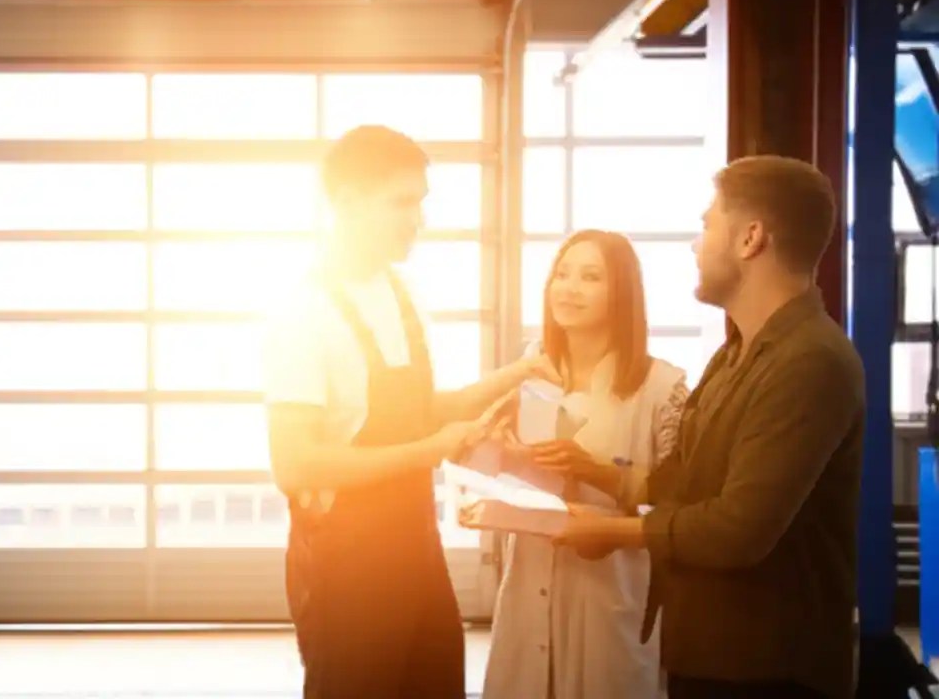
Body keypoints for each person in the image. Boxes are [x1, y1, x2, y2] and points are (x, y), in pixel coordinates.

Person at [555, 155, 865, 699]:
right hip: (712, 653)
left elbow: (737, 529)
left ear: (750, 239)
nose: (697, 246)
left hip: (769, 669)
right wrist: (597, 476)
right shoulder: (738, 351)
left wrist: (610, 531)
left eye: (706, 225)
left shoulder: (810, 361)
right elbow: (685, 478)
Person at [262, 124, 556, 699]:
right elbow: (295, 466)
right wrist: (433, 448)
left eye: (421, 202)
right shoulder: (303, 313)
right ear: (346, 201)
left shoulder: (402, 293)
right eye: (402, 202)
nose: (417, 219)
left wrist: (516, 375)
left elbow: (421, 411)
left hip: (416, 549)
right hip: (345, 564)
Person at [477, 230, 687, 699]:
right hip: (529, 584)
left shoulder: (662, 388)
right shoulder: (529, 368)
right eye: (562, 273)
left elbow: (680, 507)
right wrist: (500, 452)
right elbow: (484, 459)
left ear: (622, 294)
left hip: (612, 595)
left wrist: (594, 470)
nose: (569, 288)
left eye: (590, 277)